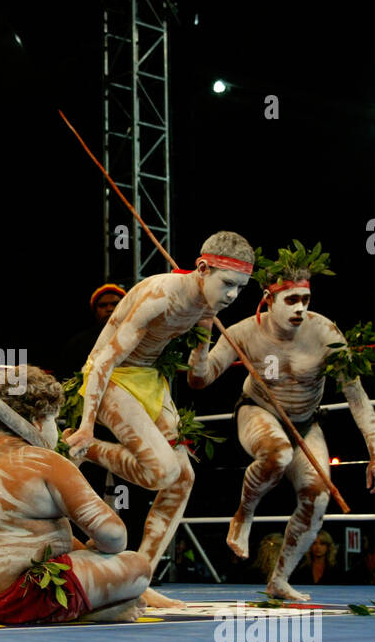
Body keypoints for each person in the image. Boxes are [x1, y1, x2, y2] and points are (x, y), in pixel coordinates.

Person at [62, 231, 255, 607]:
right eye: (227, 283)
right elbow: (103, 360)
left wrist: (211, 359)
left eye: (241, 288)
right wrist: (87, 426)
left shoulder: (208, 308)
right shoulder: (160, 294)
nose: (232, 295)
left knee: (183, 478)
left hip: (151, 378)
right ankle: (88, 447)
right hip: (112, 377)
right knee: (162, 472)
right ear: (202, 268)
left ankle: (139, 581)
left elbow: (197, 374)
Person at [187, 244, 375, 600]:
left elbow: (355, 395)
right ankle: (243, 516)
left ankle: (279, 580)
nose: (300, 309)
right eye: (291, 300)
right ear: (269, 299)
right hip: (258, 410)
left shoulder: (325, 333)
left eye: (305, 300)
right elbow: (199, 380)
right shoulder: (245, 331)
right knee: (276, 452)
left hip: (307, 422)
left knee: (319, 496)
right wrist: (203, 336)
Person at [0, 367, 154, 624]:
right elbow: (115, 537)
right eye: (55, 421)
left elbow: (33, 536)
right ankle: (86, 612)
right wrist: (99, 548)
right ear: (39, 421)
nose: (57, 431)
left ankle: (88, 608)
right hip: (11, 603)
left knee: (68, 543)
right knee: (137, 566)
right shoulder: (43, 460)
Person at [56, 283, 127, 377]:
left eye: (115, 304)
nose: (109, 309)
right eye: (103, 305)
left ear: (126, 307)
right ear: (95, 311)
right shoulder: (78, 343)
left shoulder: (141, 337)